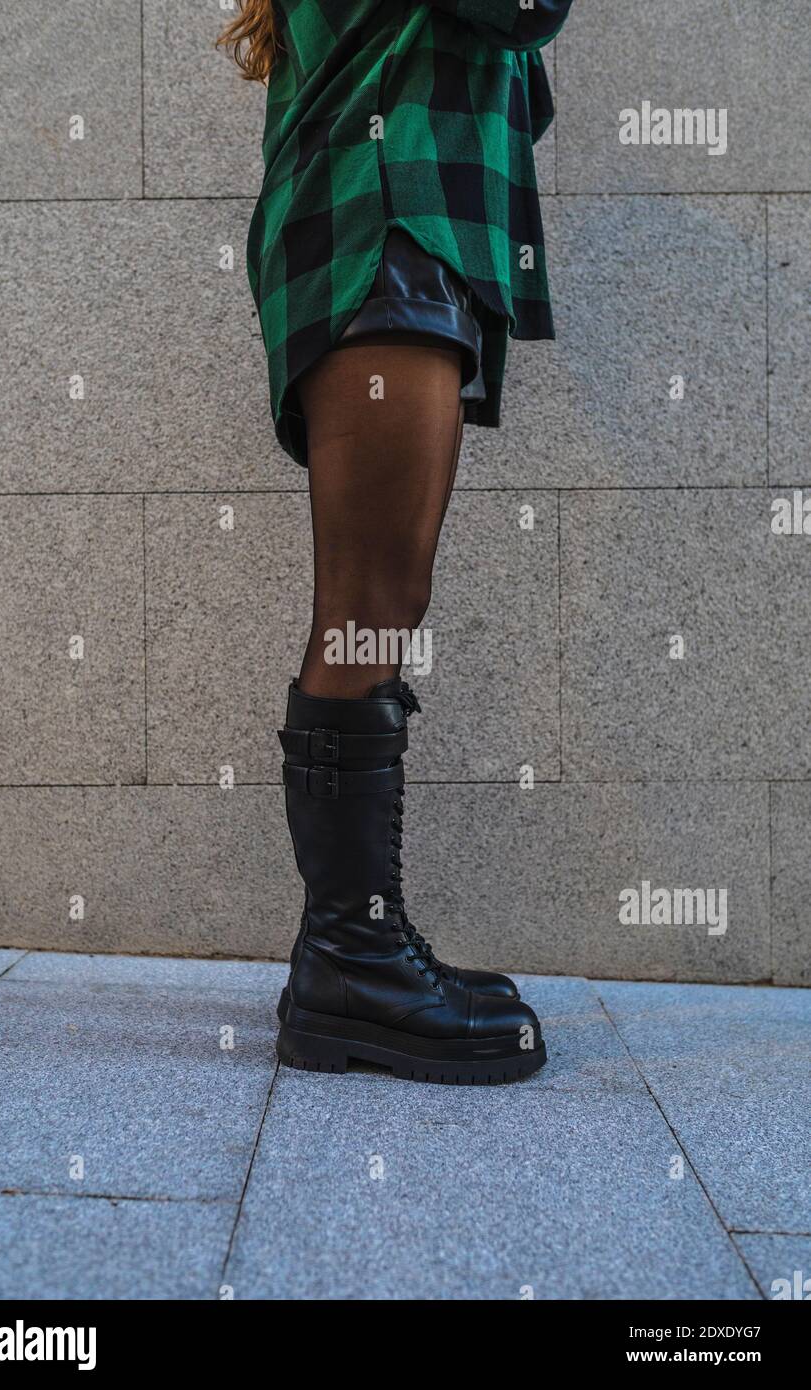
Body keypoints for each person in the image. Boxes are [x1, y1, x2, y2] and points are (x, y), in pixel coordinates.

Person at [218, 0, 573, 1083]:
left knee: (381, 602)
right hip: (383, 228)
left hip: (392, 232)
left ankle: (359, 948)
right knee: (370, 604)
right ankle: (349, 961)